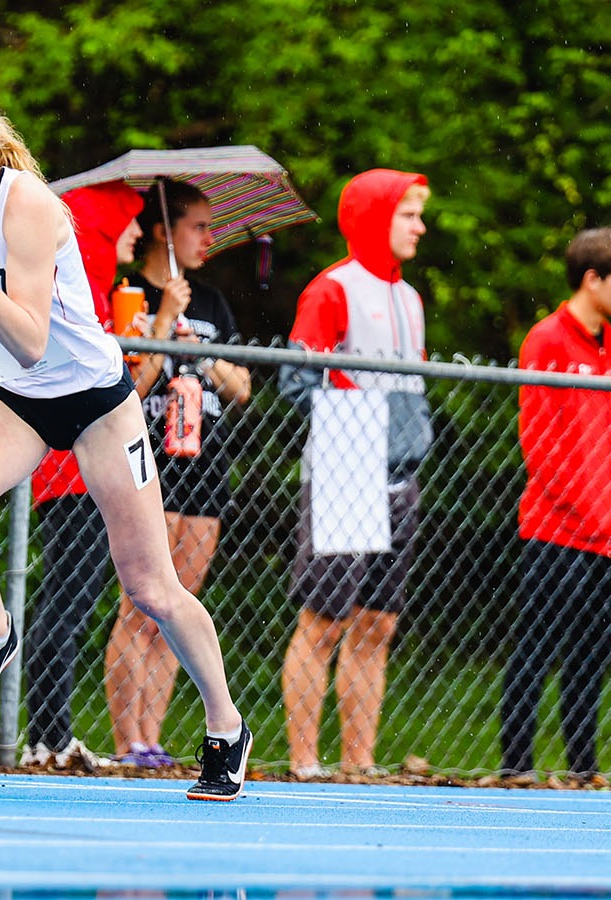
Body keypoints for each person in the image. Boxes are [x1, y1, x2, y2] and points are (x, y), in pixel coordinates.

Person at [0, 64, 250, 800]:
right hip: (10, 398)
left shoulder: (30, 209)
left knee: (150, 585)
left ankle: (225, 726)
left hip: (92, 398)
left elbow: (28, 336)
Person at [279, 168, 432, 779]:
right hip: (346, 462)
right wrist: (362, 415)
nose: (420, 227)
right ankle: (304, 761)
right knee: (324, 621)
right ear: (376, 217)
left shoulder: (411, 297)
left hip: (400, 473)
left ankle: (358, 760)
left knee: (378, 622)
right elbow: (297, 379)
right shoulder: (333, 289)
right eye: (409, 214)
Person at [103, 178, 251, 768]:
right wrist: (163, 321)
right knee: (139, 606)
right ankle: (127, 740)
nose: (208, 238)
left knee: (177, 609)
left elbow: (242, 386)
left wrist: (201, 346)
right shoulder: (128, 293)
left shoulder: (209, 302)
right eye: (199, 226)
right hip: (148, 467)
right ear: (165, 230)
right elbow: (128, 387)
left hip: (204, 470)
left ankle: (152, 736)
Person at [499, 228, 611, 780]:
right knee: (535, 650)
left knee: (591, 657)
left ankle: (584, 767)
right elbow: (538, 440)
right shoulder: (547, 339)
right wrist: (585, 506)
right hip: (556, 529)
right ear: (594, 279)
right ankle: (517, 766)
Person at [20, 180, 143, 770]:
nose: (139, 235)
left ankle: (49, 733)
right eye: (129, 222)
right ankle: (47, 736)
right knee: (66, 603)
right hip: (76, 469)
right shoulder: (84, 287)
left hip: (76, 464)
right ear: (104, 229)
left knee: (68, 602)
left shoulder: (94, 286)